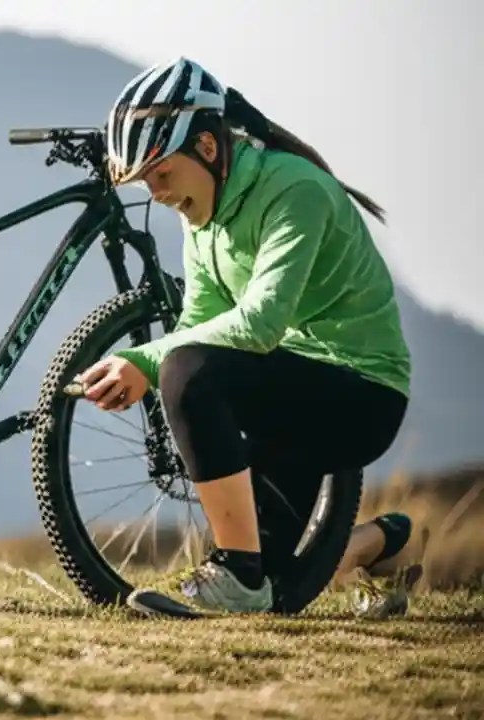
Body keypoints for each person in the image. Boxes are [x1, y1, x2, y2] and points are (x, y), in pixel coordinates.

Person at [74, 57, 415, 615]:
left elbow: (258, 324)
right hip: (291, 394)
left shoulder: (296, 190)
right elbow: (198, 326)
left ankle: (233, 569)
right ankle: (377, 543)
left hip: (359, 395)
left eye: (161, 173)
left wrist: (146, 360)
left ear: (208, 148)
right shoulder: (201, 213)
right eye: (145, 181)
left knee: (183, 370)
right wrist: (159, 365)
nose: (156, 192)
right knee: (276, 595)